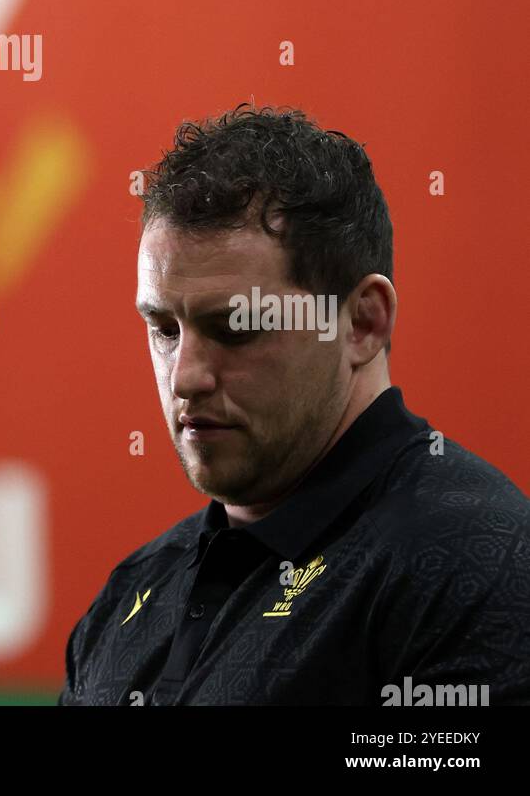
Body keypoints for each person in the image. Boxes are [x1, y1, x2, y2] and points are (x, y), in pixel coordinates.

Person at [58, 104, 530, 706]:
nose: (186, 377)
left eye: (236, 326)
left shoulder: (477, 568)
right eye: (165, 328)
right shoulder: (131, 594)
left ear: (362, 323)